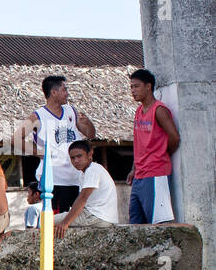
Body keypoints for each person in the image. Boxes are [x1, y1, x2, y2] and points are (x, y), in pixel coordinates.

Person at [21, 74, 96, 214]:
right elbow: (16, 139)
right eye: (64, 90)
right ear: (53, 92)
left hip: (76, 177)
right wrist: (41, 153)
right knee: (56, 223)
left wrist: (89, 123)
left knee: (77, 221)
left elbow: (90, 134)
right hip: (54, 179)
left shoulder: (71, 111)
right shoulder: (37, 116)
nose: (67, 94)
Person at [128, 68, 181, 225]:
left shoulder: (159, 110)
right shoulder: (139, 111)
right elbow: (139, 143)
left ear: (148, 86)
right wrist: (134, 168)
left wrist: (162, 154)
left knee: (159, 225)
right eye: (131, 87)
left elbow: (174, 137)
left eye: (136, 86)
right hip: (140, 174)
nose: (133, 91)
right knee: (136, 225)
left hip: (156, 173)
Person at [54, 141, 118, 236]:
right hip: (100, 216)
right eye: (72, 158)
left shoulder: (93, 170)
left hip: (96, 216)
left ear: (89, 154)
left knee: (45, 222)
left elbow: (83, 198)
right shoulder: (85, 172)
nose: (76, 160)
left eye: (79, 156)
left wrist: (65, 223)